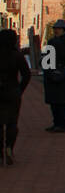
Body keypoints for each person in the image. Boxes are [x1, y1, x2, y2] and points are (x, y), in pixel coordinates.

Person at [0, 29, 31, 164]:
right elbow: (27, 75)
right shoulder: (17, 56)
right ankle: (9, 147)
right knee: (12, 123)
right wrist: (20, 89)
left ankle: (0, 152)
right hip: (13, 92)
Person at [42, 19, 65, 133]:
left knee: (61, 101)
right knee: (53, 101)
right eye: (55, 29)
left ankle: (62, 124)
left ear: (63, 30)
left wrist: (57, 44)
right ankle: (56, 123)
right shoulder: (51, 41)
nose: (56, 30)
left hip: (63, 75)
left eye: (58, 29)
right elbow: (47, 57)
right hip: (52, 74)